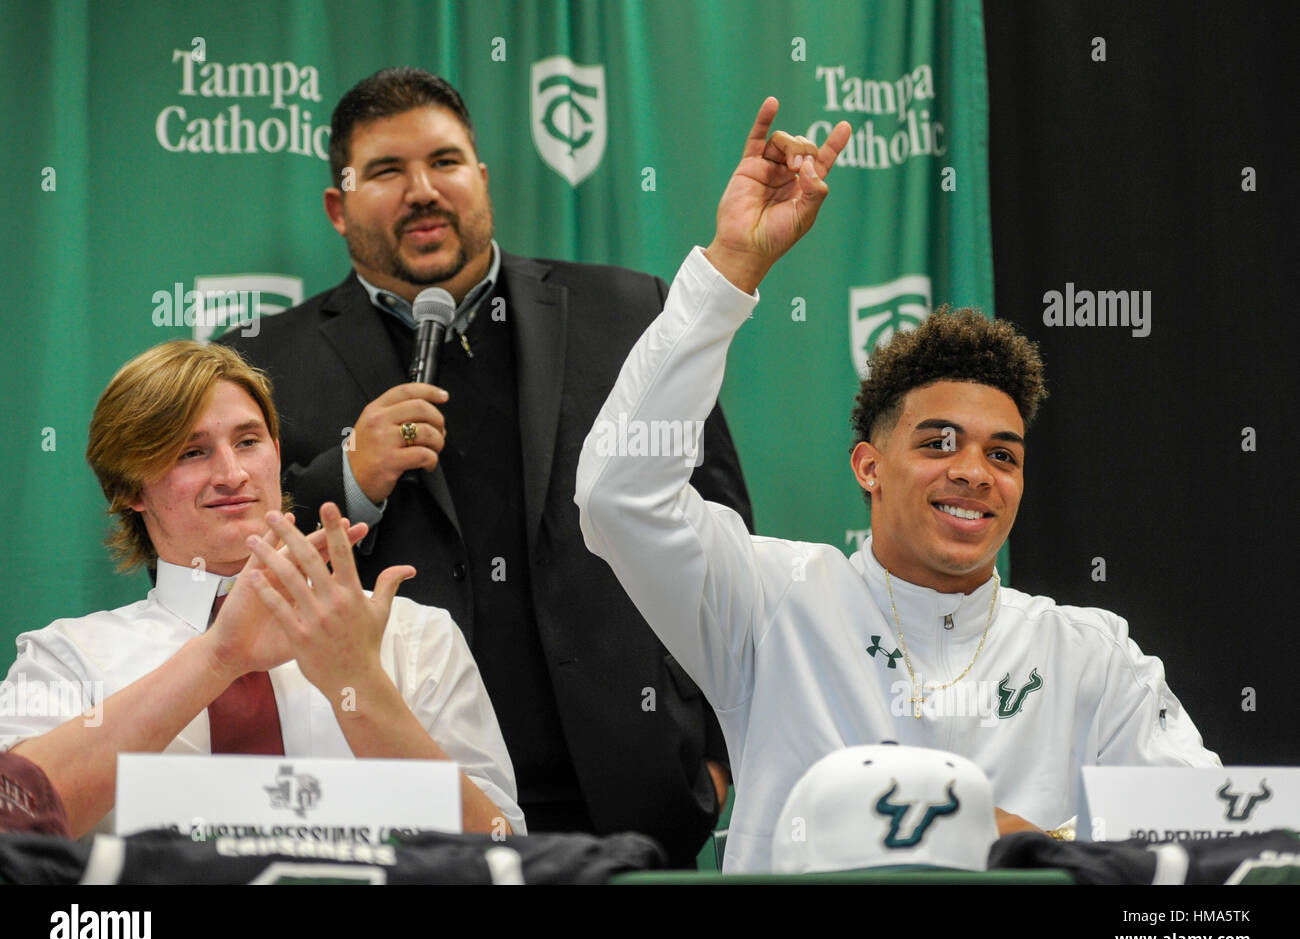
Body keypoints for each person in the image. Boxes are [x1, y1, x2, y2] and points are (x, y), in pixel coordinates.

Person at [575, 97, 1220, 873]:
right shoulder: (770, 604)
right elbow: (618, 495)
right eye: (938, 443)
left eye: (1003, 455)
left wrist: (1029, 844)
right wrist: (732, 264)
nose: (974, 473)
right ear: (868, 467)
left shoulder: (1089, 652)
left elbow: (1205, 836)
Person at [221, 67, 752, 864]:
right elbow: (224, 567)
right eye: (387, 171)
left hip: (628, 795)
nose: (423, 191)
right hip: (393, 796)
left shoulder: (628, 311)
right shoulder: (262, 362)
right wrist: (347, 479)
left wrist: (713, 754)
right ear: (337, 206)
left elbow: (723, 534)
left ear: (482, 177)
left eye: (444, 162)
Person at [0, 341, 523, 839]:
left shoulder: (412, 635)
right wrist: (217, 658)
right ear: (128, 486)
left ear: (275, 452)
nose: (232, 474)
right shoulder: (67, 658)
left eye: (248, 442)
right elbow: (13, 823)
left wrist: (360, 684)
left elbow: (501, 852)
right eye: (191, 452)